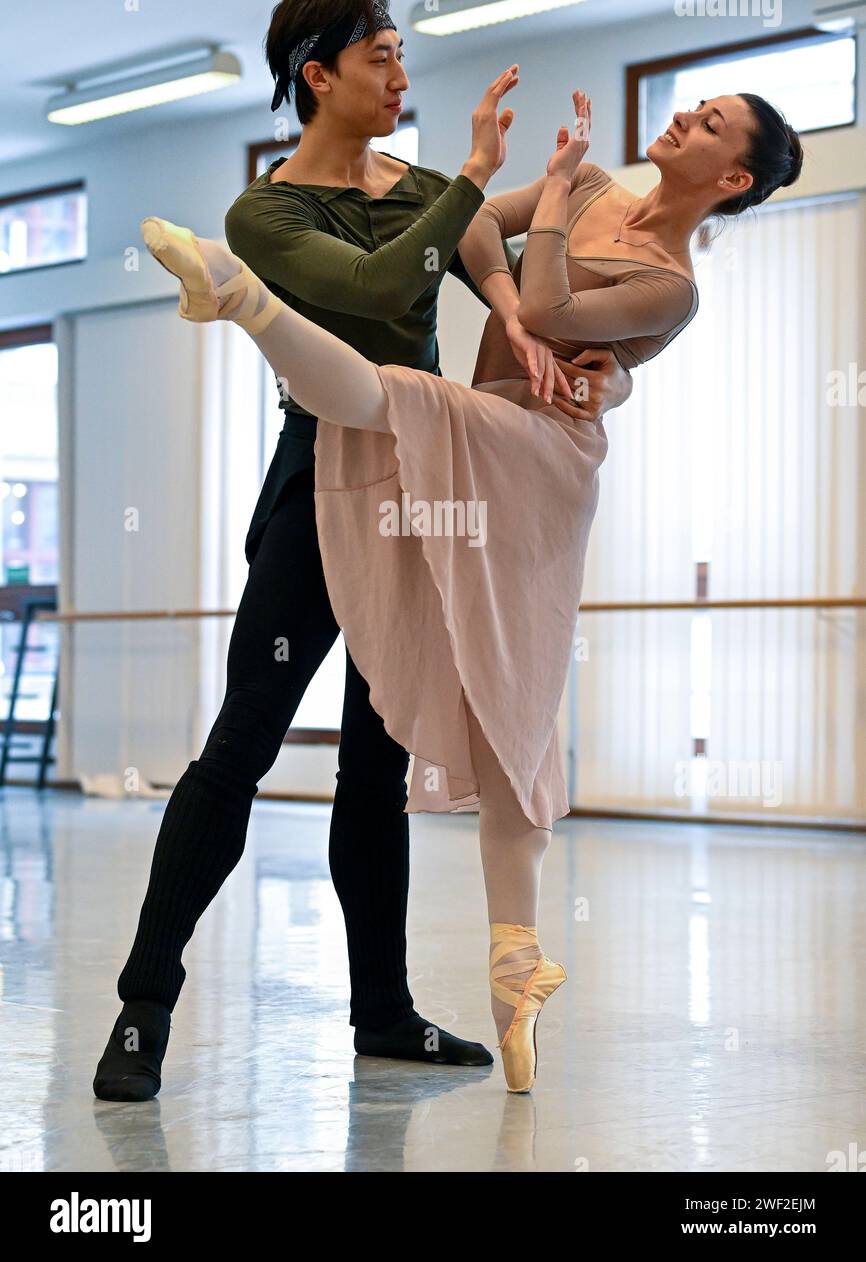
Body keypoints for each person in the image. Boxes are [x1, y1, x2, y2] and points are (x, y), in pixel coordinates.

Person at [132, 81, 804, 1089]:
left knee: (501, 676)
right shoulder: (597, 191)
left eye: (708, 125)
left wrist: (559, 195)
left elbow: (546, 301)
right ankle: (513, 976)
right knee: (395, 430)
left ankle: (242, 301)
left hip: (536, 455)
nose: (682, 118)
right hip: (473, 426)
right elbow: (479, 226)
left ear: (732, 176)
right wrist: (521, 266)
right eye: (691, 106)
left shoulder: (669, 279)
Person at [92, 0, 632, 1102]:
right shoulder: (267, 212)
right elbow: (391, 278)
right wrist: (479, 181)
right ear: (316, 75)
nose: (399, 71)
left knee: (375, 767)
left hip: (425, 476)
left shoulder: (427, 184)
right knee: (240, 744)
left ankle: (380, 1013)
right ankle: (144, 1005)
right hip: (317, 489)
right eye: (377, 54)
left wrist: (560, 301)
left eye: (401, 52)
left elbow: (512, 252)